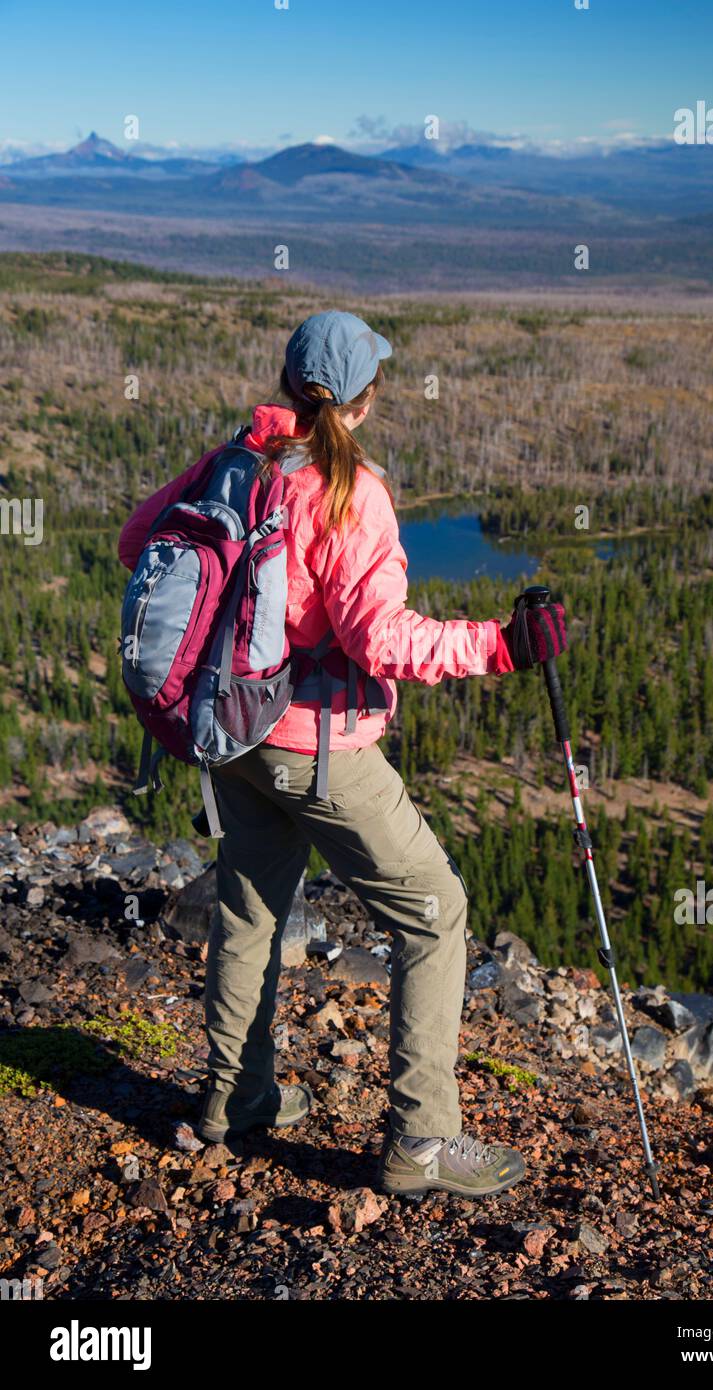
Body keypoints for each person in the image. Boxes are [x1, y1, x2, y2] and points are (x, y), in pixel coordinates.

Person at [118, 310, 567, 1197]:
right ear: (366, 398)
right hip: (317, 750)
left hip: (232, 733)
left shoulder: (235, 460)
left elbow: (139, 545)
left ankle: (233, 1105)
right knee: (435, 913)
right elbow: (382, 640)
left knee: (249, 915)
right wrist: (502, 646)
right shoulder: (348, 490)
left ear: (290, 385)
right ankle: (422, 1143)